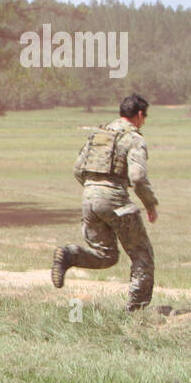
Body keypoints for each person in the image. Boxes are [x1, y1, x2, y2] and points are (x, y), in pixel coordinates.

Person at [52, 94, 159, 310]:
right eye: (144, 117)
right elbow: (138, 178)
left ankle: (70, 254)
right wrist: (150, 204)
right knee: (142, 255)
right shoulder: (134, 139)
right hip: (115, 201)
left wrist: (94, 190)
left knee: (106, 256)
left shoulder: (99, 134)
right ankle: (136, 311)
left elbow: (77, 169)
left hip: (89, 198)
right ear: (139, 115)